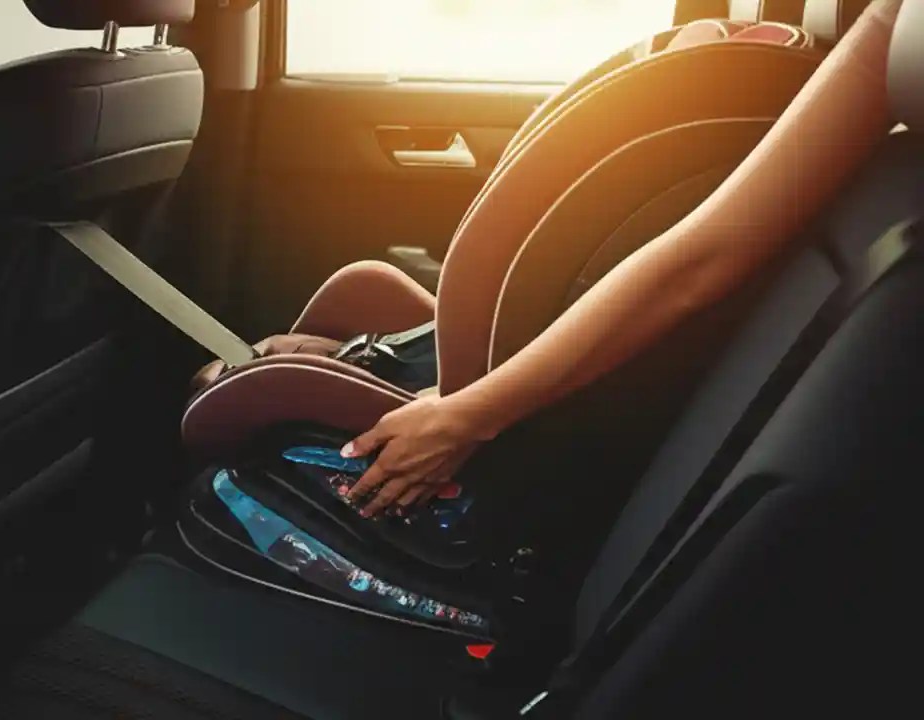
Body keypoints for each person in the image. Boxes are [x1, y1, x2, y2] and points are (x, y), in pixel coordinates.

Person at [195, 0, 905, 518]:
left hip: (551, 451)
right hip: (560, 401)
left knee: (216, 401)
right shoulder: (849, 46)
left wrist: (469, 413)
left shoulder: (892, 42)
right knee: (350, 304)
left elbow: (699, 264)